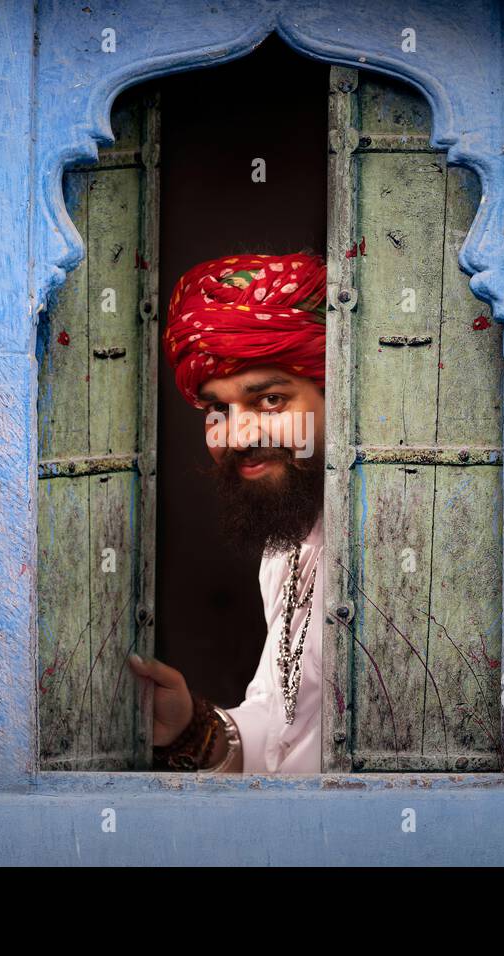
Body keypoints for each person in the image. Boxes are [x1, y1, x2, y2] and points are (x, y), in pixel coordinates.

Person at [126, 251, 328, 773]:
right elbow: (285, 729)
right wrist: (193, 729)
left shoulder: (414, 541)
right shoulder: (287, 549)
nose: (236, 437)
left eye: (271, 401)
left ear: (340, 392)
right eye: (218, 410)